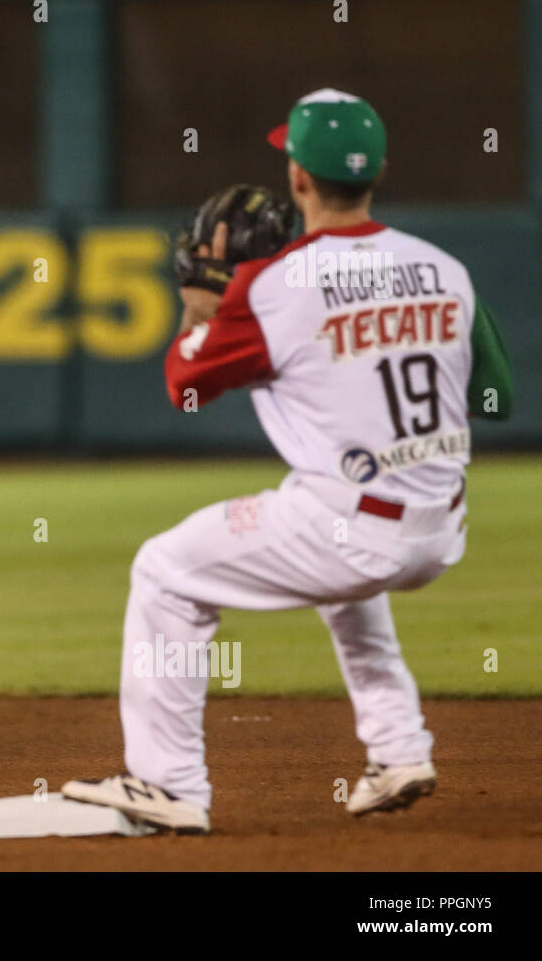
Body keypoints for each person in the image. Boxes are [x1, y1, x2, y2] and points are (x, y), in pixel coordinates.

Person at [62, 89, 513, 833]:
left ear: (298, 176)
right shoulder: (445, 269)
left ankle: (166, 783)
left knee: (164, 573)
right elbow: (496, 397)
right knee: (338, 564)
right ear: (380, 170)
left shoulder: (273, 290)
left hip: (357, 520)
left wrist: (207, 304)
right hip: (444, 524)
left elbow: (184, 385)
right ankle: (399, 749)